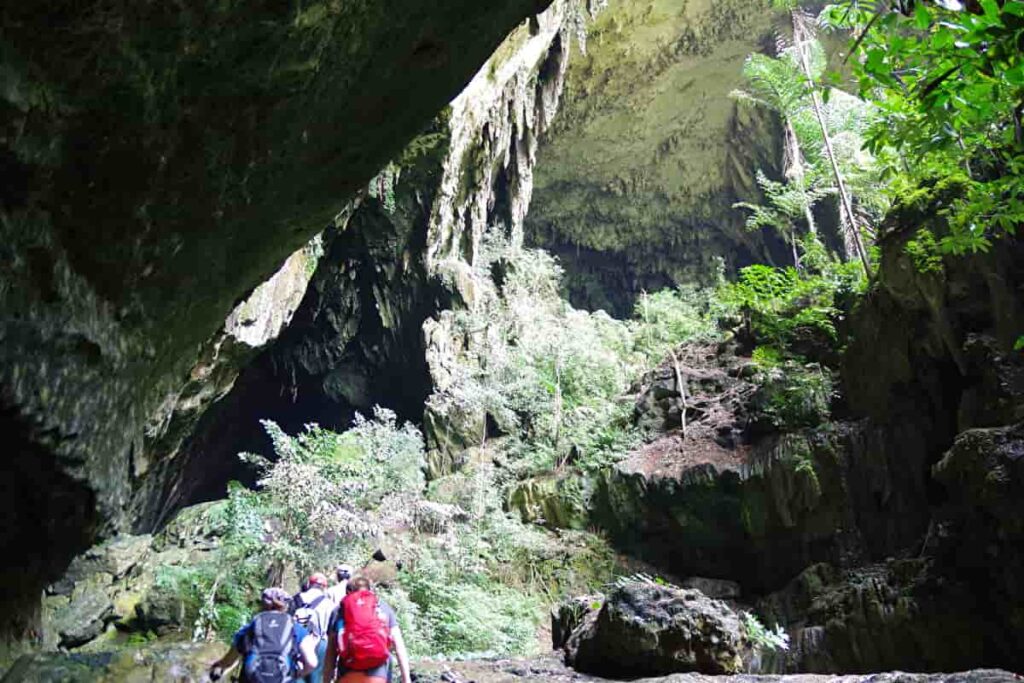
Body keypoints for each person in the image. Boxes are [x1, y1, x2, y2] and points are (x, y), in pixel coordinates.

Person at [210, 587, 319, 682]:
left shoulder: (250, 627)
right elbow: (311, 663)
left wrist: (218, 666)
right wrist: (298, 674)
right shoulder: (297, 629)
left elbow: (230, 659)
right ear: (286, 606)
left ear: (262, 605)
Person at [322, 577, 412, 683]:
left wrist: (326, 679)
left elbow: (330, 653)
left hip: (348, 674)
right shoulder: (382, 608)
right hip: (378, 675)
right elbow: (399, 646)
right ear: (370, 591)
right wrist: (407, 679)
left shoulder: (339, 611)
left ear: (348, 592)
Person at [293, 573, 337, 683]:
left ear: (309, 584)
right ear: (325, 587)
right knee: (316, 678)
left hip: (296, 640)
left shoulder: (295, 599)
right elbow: (331, 628)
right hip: (320, 643)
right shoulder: (330, 604)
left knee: (297, 676)